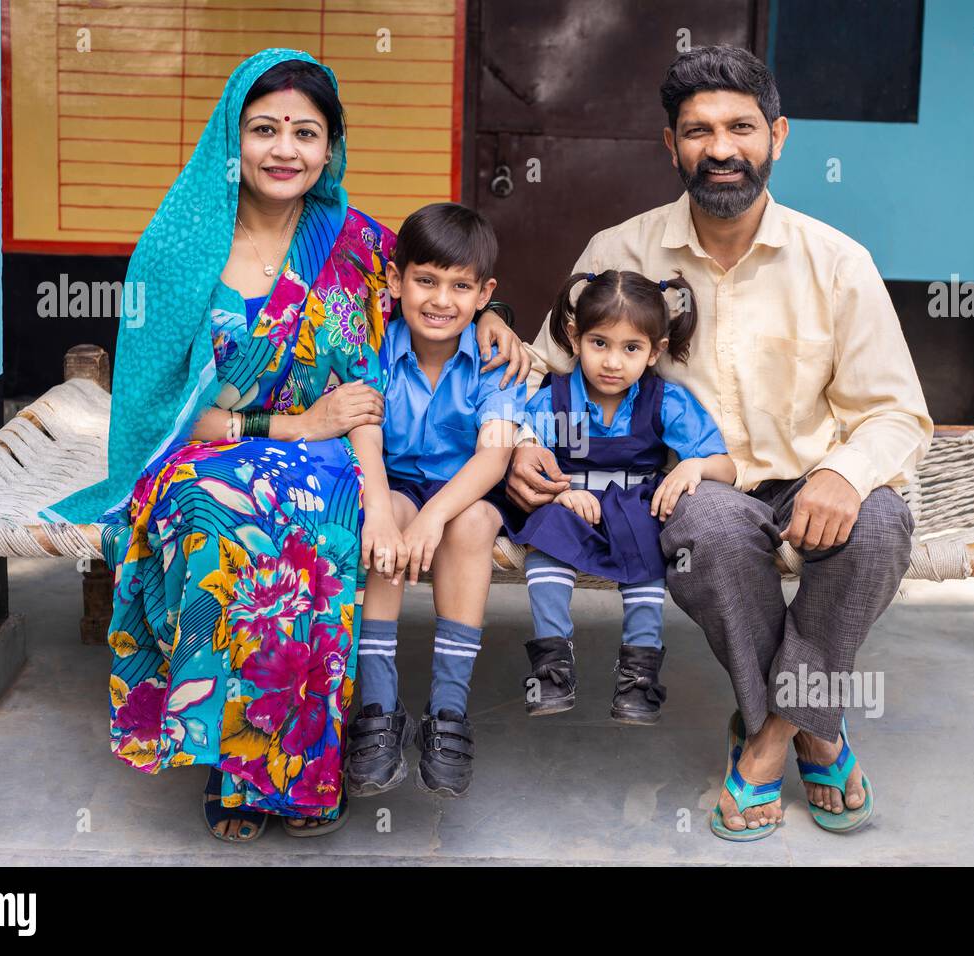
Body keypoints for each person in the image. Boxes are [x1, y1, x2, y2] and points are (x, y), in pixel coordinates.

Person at [42, 50, 528, 843]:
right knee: (222, 510)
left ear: (331, 148)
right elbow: (157, 410)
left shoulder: (358, 243)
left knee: (325, 512)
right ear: (232, 138)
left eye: (306, 132)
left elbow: (440, 284)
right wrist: (289, 427)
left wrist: (495, 313)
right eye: (264, 129)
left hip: (331, 455)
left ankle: (299, 769)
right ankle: (232, 766)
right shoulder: (175, 250)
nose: (285, 149)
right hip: (206, 454)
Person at [505, 45, 931, 841]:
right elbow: (542, 372)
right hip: (692, 490)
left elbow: (897, 413)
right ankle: (820, 734)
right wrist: (522, 440)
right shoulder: (618, 253)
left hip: (814, 480)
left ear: (778, 135)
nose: (721, 148)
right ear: (671, 146)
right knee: (707, 529)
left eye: (741, 126)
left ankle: (770, 737)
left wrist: (843, 473)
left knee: (879, 527)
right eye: (697, 131)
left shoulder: (838, 262)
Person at [344, 203, 527, 799]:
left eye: (461, 286)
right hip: (395, 484)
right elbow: (366, 434)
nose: (441, 299)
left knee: (471, 523)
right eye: (425, 280)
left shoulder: (495, 364)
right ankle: (377, 706)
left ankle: (447, 710)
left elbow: (493, 458)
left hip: (466, 491)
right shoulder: (373, 348)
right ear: (396, 281)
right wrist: (384, 511)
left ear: (485, 294)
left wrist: (435, 515)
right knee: (387, 518)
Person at [514, 270, 732, 725]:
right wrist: (560, 492)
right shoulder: (553, 400)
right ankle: (552, 665)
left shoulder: (664, 400)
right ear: (574, 338)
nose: (613, 362)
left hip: (634, 506)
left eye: (631, 348)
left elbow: (724, 467)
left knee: (648, 553)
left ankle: (639, 674)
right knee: (545, 543)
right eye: (600, 344)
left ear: (656, 352)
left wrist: (696, 465)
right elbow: (522, 455)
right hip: (568, 501)